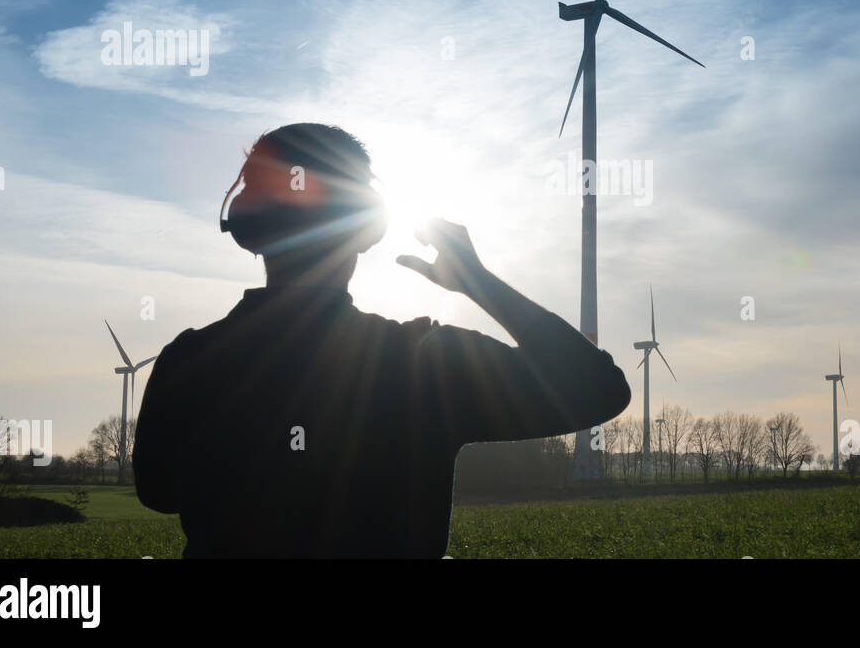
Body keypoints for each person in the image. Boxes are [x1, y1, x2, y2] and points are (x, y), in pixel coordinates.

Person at [133, 123, 630, 557]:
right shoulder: (424, 363)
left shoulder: (187, 362)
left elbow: (158, 492)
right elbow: (596, 388)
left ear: (246, 224)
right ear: (367, 227)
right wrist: (478, 281)